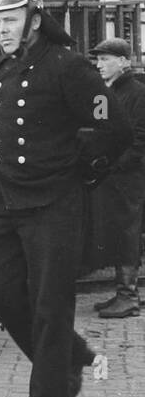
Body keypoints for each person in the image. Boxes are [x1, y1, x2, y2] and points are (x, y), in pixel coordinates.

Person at [0, 0, 129, 397]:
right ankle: (72, 356)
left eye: (11, 19)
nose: (1, 29)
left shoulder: (68, 66)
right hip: (3, 199)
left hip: (55, 200)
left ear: (34, 19)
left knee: (49, 301)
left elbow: (114, 127)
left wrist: (84, 171)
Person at [88, 37, 145, 319]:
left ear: (123, 62)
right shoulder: (111, 92)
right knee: (120, 232)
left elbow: (139, 140)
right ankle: (122, 293)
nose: (99, 65)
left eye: (105, 59)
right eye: (98, 60)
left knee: (127, 233)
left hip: (128, 177)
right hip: (115, 176)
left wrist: (115, 166)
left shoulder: (136, 93)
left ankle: (128, 296)